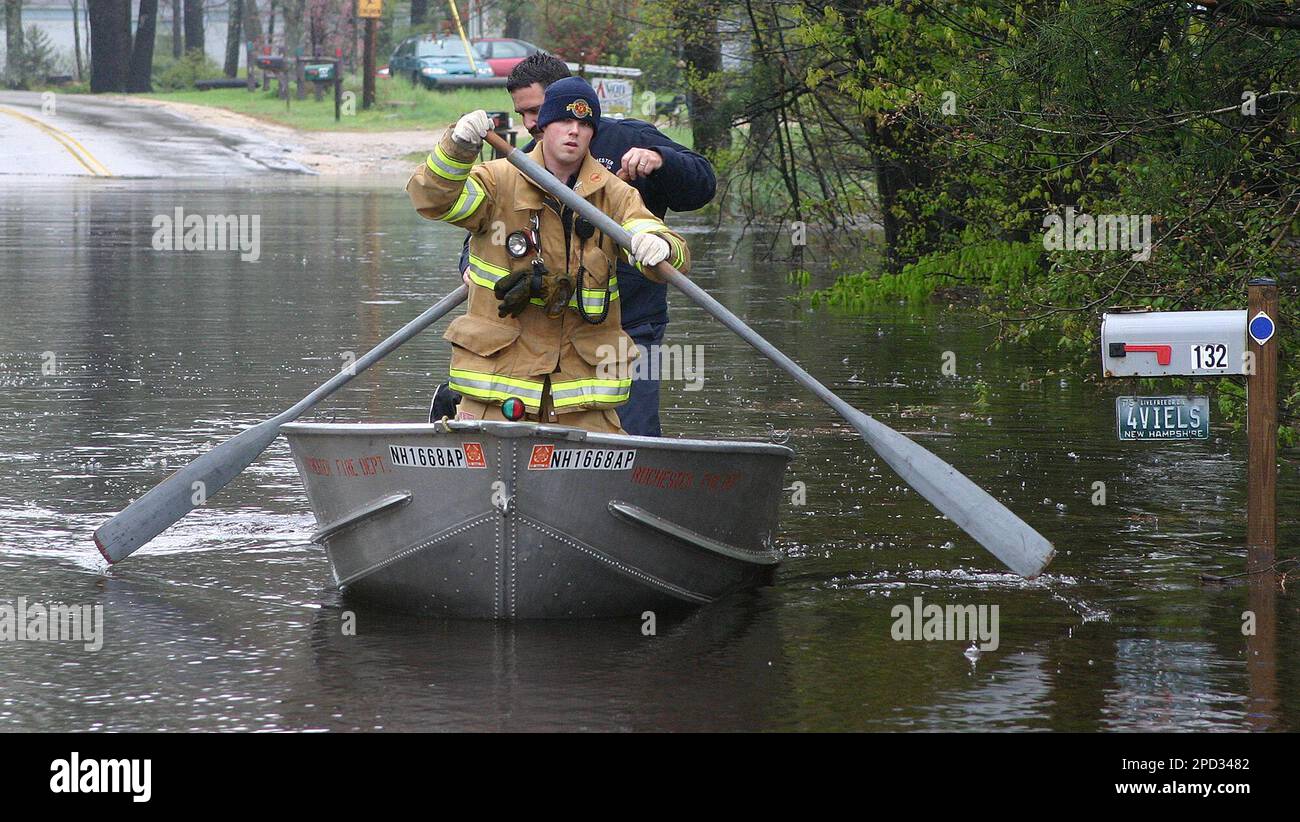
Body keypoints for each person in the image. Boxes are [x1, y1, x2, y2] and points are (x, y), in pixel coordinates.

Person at [407, 77, 691, 434]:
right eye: (564, 122)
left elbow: (664, 245)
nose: (574, 132)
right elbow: (434, 201)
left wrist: (658, 244)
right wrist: (456, 149)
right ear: (543, 126)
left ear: (593, 133)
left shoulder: (615, 194)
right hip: (496, 400)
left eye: (585, 124)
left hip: (582, 407)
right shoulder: (497, 181)